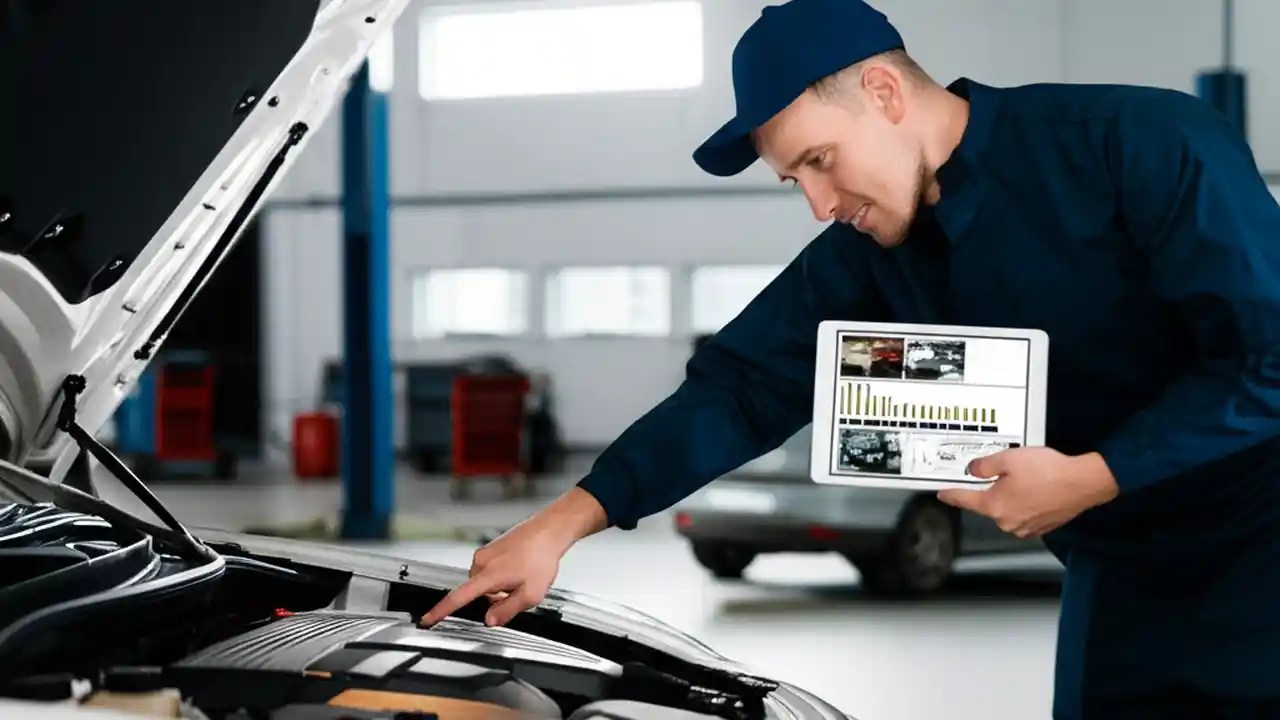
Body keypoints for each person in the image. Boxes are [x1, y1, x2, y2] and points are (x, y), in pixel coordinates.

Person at [422, 0, 1280, 717]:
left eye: (819, 162)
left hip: (1261, 545)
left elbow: (1269, 357)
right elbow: (741, 386)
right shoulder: (869, 252)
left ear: (883, 91)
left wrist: (1097, 474)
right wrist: (561, 523)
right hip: (1119, 571)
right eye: (796, 181)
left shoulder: (1140, 142)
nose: (820, 205)